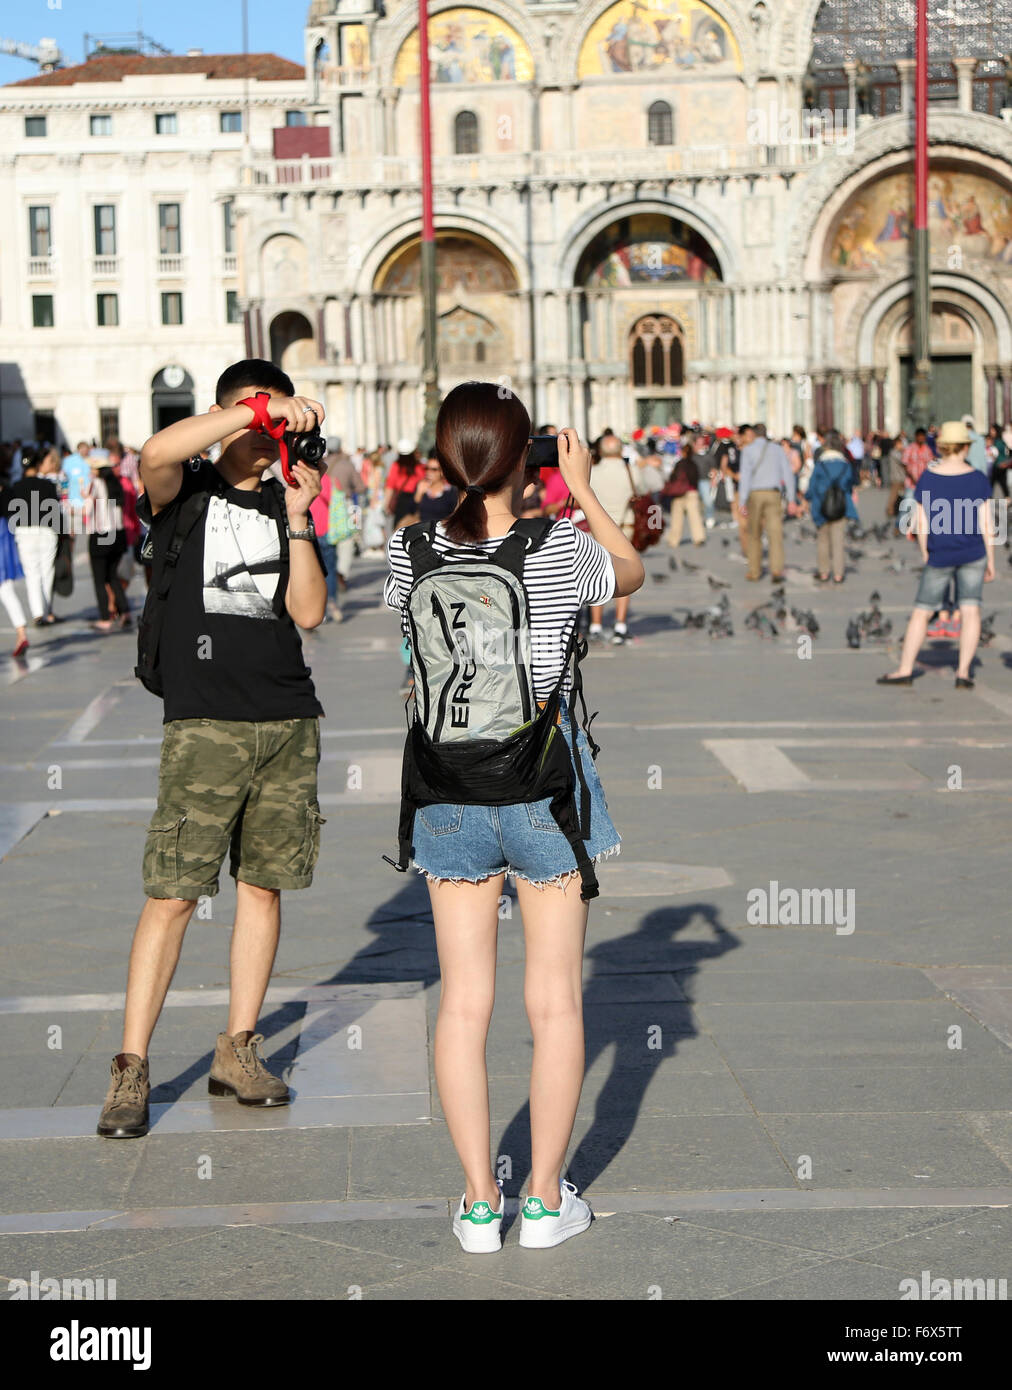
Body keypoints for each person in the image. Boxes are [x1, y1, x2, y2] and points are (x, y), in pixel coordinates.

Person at [383, 381, 644, 1250]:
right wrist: (582, 489)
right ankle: (541, 1200)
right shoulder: (560, 547)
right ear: (524, 457)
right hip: (543, 795)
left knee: (463, 1004)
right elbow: (632, 574)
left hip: (449, 795)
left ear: (445, 456)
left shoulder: (407, 550)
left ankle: (474, 1202)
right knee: (555, 1005)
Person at [96, 359, 328, 1140]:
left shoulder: (283, 495)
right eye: (252, 424)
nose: (267, 441)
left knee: (263, 887)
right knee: (174, 893)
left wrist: (300, 515)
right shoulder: (185, 491)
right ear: (230, 415)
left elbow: (310, 610)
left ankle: (238, 1047)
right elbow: (153, 455)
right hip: (203, 723)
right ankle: (131, 1068)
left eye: (274, 429)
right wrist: (259, 412)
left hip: (285, 715)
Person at [878, 420, 995, 690]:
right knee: (970, 610)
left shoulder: (929, 477)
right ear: (966, 447)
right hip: (973, 552)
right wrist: (991, 559)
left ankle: (905, 669)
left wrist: (925, 552)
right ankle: (963, 673)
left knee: (921, 612)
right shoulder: (977, 478)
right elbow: (986, 522)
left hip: (939, 553)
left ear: (941, 447)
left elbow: (920, 521)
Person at [586, 431, 637, 644]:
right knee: (624, 573)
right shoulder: (631, 471)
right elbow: (645, 490)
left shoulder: (593, 472)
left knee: (597, 574)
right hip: (625, 526)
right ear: (621, 450)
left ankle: (595, 625)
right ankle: (620, 624)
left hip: (597, 528)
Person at [4, 445, 61, 626]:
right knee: (46, 572)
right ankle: (45, 610)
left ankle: (37, 612)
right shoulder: (48, 485)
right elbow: (55, 510)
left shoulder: (15, 487)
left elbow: (10, 512)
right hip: (46, 531)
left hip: (24, 532)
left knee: (32, 573)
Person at [738, 422, 799, 582]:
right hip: (774, 493)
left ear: (754, 434)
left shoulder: (748, 450)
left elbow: (745, 477)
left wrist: (742, 501)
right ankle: (777, 569)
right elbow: (788, 474)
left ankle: (754, 571)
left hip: (755, 494)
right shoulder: (777, 449)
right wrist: (792, 499)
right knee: (775, 533)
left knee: (754, 533)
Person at [83, 454, 130, 632]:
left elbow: (86, 510)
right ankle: (125, 611)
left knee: (99, 579)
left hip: (101, 534)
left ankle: (105, 617)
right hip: (118, 534)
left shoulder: (96, 484)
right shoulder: (116, 484)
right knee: (112, 576)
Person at [806, 429, 859, 584]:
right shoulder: (845, 465)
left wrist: (807, 498)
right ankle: (838, 574)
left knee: (823, 540)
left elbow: (812, 485)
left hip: (821, 505)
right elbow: (850, 483)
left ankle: (824, 572)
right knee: (838, 541)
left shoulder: (820, 464)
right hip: (841, 505)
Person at [664, 439, 706, 549]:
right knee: (695, 516)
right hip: (692, 492)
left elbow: (673, 478)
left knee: (677, 518)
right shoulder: (693, 464)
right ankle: (698, 538)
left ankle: (674, 540)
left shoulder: (679, 464)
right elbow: (696, 478)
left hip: (678, 494)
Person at [384, 438, 426, 527]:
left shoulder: (396, 466)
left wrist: (386, 504)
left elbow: (390, 486)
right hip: (417, 500)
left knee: (399, 529)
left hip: (403, 501)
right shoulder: (419, 466)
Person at [414, 454, 459, 524]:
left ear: (442, 472)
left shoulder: (451, 492)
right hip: (421, 530)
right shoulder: (421, 486)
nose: (429, 472)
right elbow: (411, 512)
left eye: (434, 470)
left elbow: (455, 516)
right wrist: (418, 494)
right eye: (426, 468)